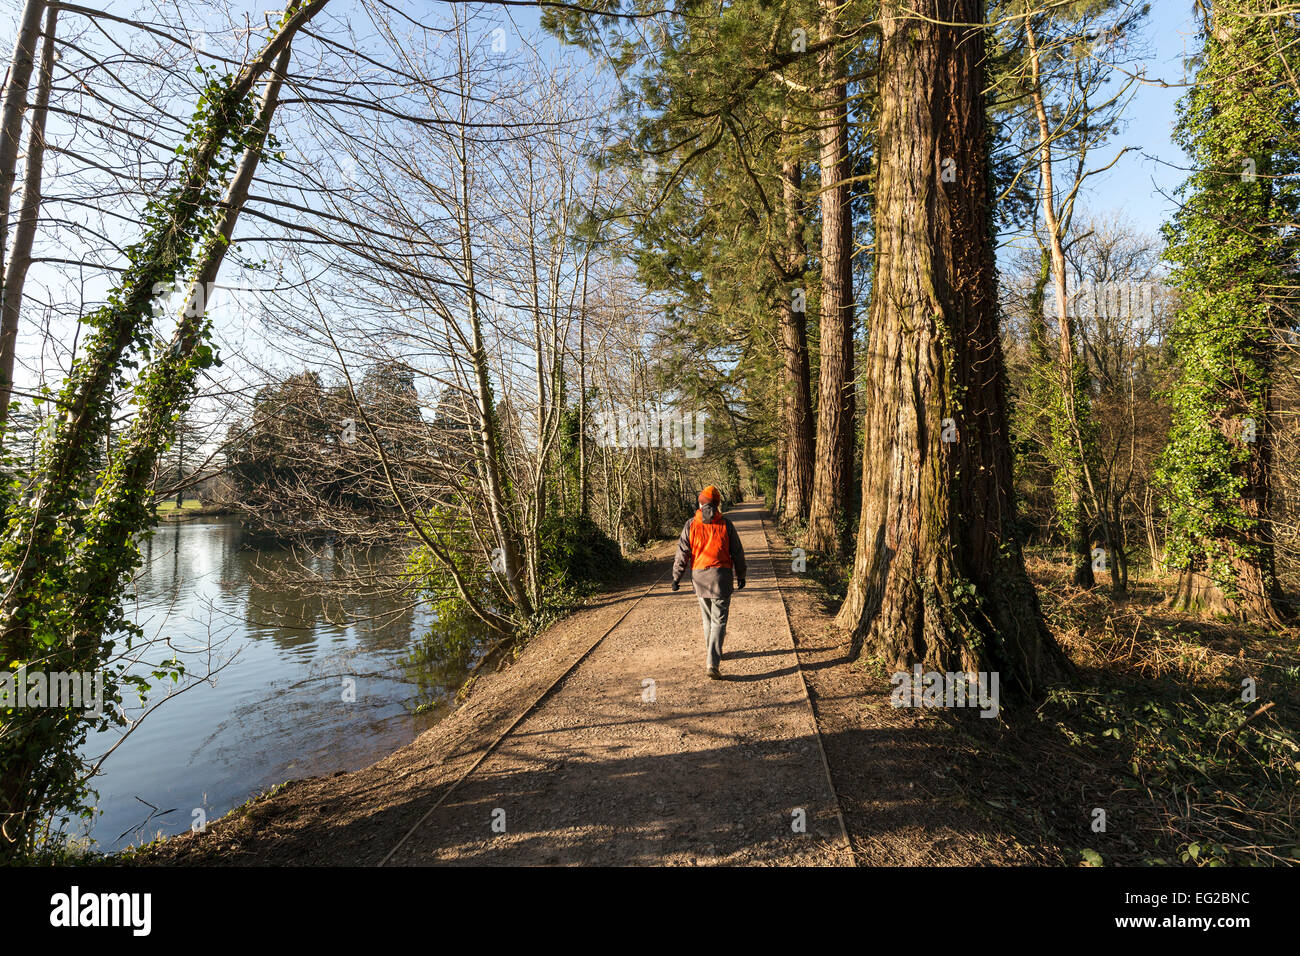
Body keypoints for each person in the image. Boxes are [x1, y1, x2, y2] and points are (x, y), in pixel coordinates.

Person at [671, 486, 746, 679]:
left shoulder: (690, 524)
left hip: (700, 578)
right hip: (722, 577)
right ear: (717, 504)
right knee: (719, 620)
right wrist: (742, 575)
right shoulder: (726, 524)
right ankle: (712, 661)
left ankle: (711, 652)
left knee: (707, 619)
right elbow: (737, 552)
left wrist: (676, 577)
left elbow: (682, 553)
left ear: (700, 503)